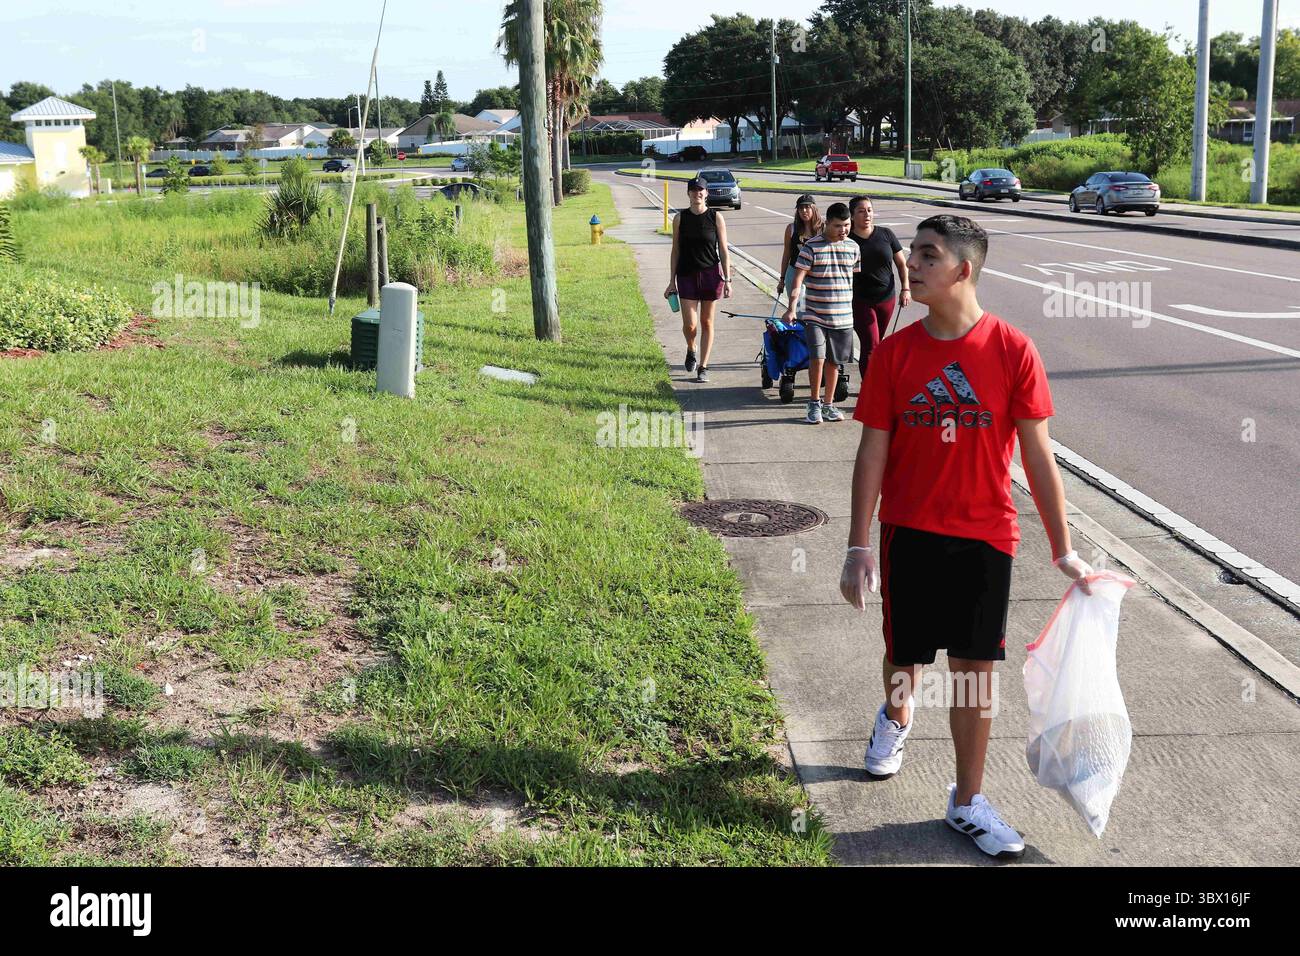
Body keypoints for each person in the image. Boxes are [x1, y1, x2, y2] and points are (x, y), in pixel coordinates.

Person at [839, 214, 1094, 859]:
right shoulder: (896, 354)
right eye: (913, 254)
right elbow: (872, 452)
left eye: (927, 255)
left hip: (985, 535)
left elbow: (1038, 457)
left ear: (964, 269)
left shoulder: (1012, 350)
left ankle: (967, 801)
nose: (912, 265)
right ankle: (897, 716)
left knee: (975, 670)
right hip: (909, 530)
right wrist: (857, 544)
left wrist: (1062, 548)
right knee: (905, 654)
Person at [784, 202, 859, 424]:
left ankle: (828, 405)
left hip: (843, 315)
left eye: (846, 225)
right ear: (827, 223)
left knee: (835, 362)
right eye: (838, 226)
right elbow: (798, 278)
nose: (843, 230)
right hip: (815, 314)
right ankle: (814, 403)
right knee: (818, 358)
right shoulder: (811, 247)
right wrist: (792, 306)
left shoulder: (854, 247)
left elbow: (852, 277)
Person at [664, 177, 731, 383]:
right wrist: (671, 281)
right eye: (693, 191)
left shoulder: (716, 217)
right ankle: (691, 348)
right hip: (686, 275)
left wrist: (727, 279)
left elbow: (724, 249)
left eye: (700, 190)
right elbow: (675, 250)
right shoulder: (680, 218)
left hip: (711, 274)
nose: (697, 194)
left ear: (706, 193)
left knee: (707, 322)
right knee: (691, 325)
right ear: (688, 194)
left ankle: (703, 366)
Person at [848, 196, 910, 386]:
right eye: (861, 211)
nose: (866, 214)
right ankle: (870, 388)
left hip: (886, 298)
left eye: (869, 210)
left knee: (878, 344)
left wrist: (905, 288)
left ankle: (876, 383)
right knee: (870, 345)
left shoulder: (886, 234)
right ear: (852, 215)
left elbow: (901, 264)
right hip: (860, 300)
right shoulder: (847, 239)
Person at [776, 194, 823, 312]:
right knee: (799, 310)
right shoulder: (791, 229)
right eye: (800, 208)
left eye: (807, 207)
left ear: (814, 209)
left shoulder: (823, 229)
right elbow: (787, 254)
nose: (804, 211)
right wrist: (782, 279)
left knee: (815, 310)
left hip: (816, 274)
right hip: (794, 271)